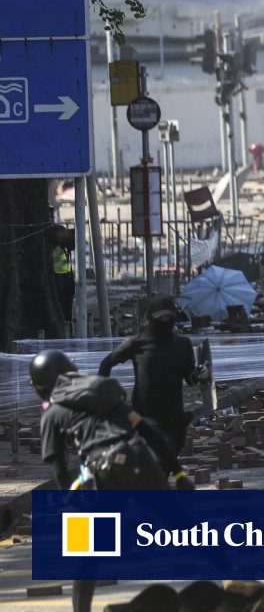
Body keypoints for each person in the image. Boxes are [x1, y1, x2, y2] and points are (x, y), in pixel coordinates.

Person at [31, 350, 192, 612]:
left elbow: (60, 470)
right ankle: (234, 578)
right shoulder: (106, 396)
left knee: (86, 558)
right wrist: (179, 472)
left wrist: (71, 505)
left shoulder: (52, 412)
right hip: (140, 459)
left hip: (104, 472)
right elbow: (149, 430)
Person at [99, 294, 206, 453]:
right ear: (151, 319)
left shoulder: (183, 344)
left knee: (169, 458)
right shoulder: (136, 343)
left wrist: (200, 375)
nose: (165, 322)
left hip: (173, 416)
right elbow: (106, 364)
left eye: (168, 317)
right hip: (144, 416)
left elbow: (190, 378)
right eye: (160, 318)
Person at [49, 221, 75, 323]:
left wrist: (61, 236)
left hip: (66, 276)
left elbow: (72, 243)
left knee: (66, 308)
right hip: (56, 277)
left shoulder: (56, 229)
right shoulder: (47, 232)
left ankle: (68, 329)